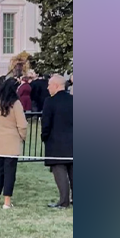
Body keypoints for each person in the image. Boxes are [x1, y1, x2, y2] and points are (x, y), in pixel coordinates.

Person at [0, 77, 29, 209]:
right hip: (12, 141)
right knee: (10, 172)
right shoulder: (15, 103)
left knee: (0, 170)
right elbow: (22, 124)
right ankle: (7, 202)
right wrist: (22, 137)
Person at [41, 75, 73, 208]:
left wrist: (45, 137)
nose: (47, 87)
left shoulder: (50, 102)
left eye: (49, 84)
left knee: (60, 173)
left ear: (56, 85)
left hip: (56, 143)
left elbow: (46, 124)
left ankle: (64, 201)